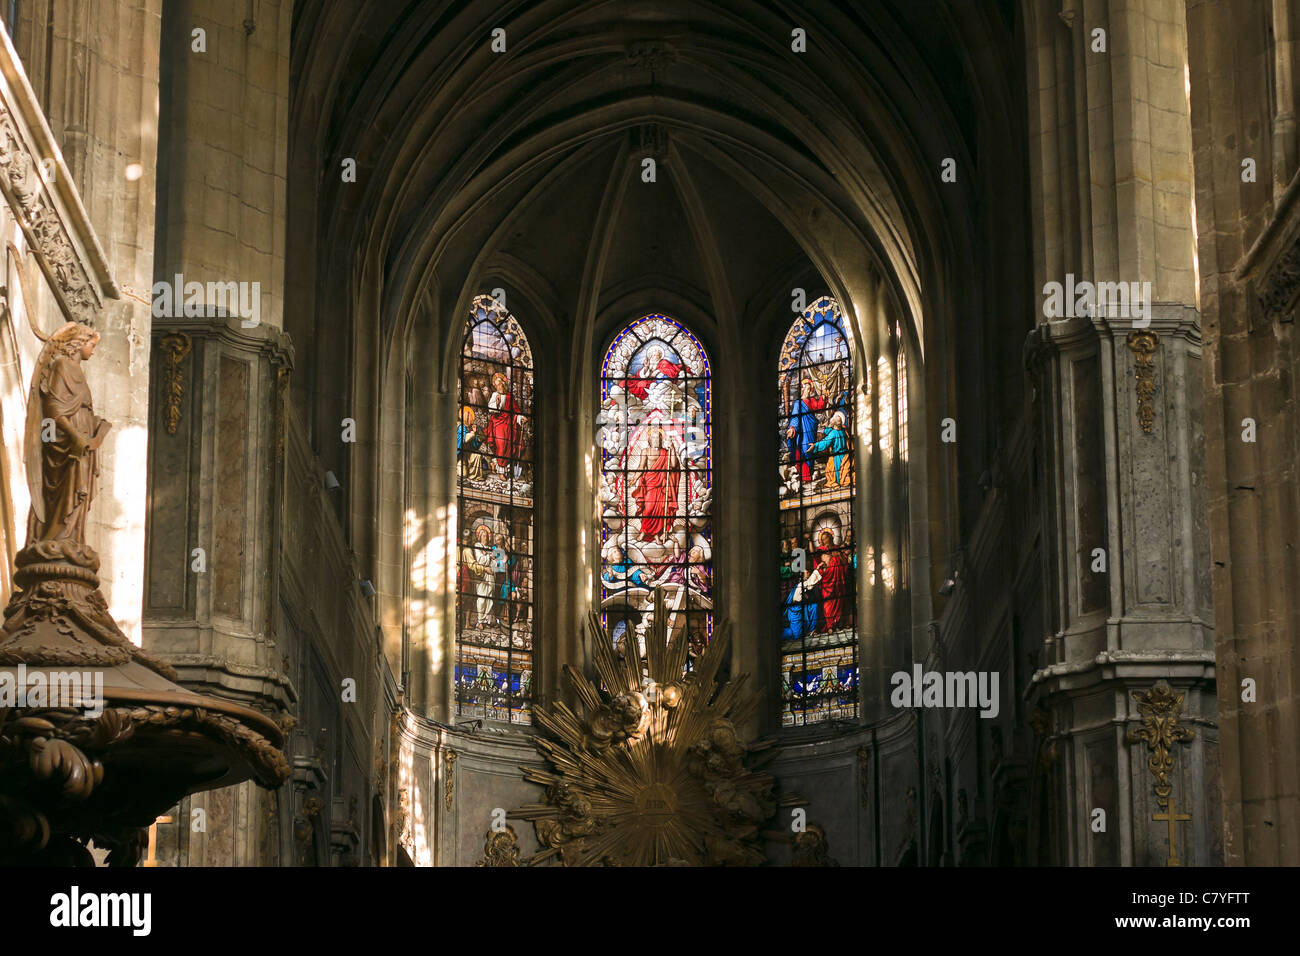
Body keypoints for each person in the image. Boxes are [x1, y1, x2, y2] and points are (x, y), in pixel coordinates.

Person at [25, 323, 112, 544]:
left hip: (82, 435)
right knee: (68, 489)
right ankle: (57, 538)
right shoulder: (62, 366)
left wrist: (98, 429)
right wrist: (75, 436)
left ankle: (71, 539)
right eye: (91, 345)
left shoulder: (78, 370)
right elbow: (53, 409)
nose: (93, 350)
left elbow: (82, 407)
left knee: (79, 494)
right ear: (79, 344)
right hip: (67, 440)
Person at [631, 427, 679, 541]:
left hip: (662, 486)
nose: (656, 439)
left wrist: (672, 448)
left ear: (661, 439)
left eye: (658, 437)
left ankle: (656, 535)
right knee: (648, 509)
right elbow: (641, 467)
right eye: (653, 437)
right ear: (649, 439)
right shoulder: (645, 451)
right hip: (650, 484)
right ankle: (643, 531)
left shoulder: (665, 452)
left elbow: (673, 464)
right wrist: (634, 479)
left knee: (660, 511)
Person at [785, 377, 827, 483]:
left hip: (810, 429)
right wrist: (792, 429)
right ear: (802, 389)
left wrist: (824, 395)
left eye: (809, 389)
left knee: (809, 449)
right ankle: (802, 474)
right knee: (802, 449)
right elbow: (795, 417)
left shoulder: (812, 401)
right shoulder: (798, 403)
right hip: (801, 431)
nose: (808, 391)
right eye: (806, 389)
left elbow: (820, 407)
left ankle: (809, 473)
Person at [487, 372, 527, 476]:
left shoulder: (509, 396)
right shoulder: (495, 395)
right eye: (496, 384)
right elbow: (491, 410)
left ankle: (501, 467)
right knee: (501, 444)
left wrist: (520, 417)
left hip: (509, 424)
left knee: (509, 445)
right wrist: (497, 403)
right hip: (498, 423)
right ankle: (501, 472)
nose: (498, 386)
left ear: (503, 384)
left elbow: (515, 410)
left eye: (499, 383)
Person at [815, 528, 850, 632]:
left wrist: (839, 555)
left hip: (838, 580)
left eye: (826, 538)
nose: (824, 541)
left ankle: (836, 623)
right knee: (828, 603)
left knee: (838, 601)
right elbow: (817, 562)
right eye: (823, 539)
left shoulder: (837, 548)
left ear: (830, 538)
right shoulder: (820, 550)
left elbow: (845, 563)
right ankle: (830, 625)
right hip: (827, 579)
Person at [806, 410, 852, 489]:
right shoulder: (844, 431)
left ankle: (838, 482)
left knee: (835, 473)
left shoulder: (833, 434)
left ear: (833, 423)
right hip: (845, 455)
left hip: (837, 457)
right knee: (844, 471)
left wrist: (815, 446)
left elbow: (825, 443)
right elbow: (831, 431)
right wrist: (825, 429)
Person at [457, 405, 485, 482]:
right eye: (468, 416)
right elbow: (464, 439)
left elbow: (475, 445)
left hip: (469, 452)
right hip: (460, 454)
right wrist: (473, 433)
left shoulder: (471, 428)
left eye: (471, 417)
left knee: (477, 455)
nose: (470, 419)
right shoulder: (461, 427)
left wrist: (479, 438)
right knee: (463, 474)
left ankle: (475, 476)